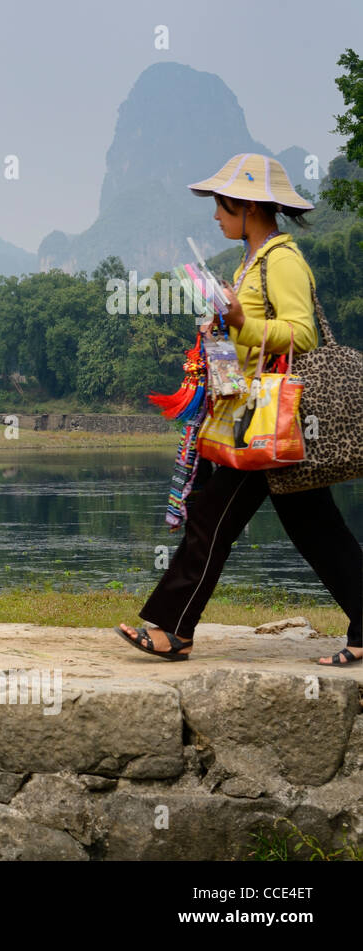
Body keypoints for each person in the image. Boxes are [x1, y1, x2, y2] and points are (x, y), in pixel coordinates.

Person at [116, 153, 362, 666]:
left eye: (221, 206)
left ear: (248, 205)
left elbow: (303, 334)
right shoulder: (250, 261)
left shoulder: (283, 259)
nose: (215, 216)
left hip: (267, 422)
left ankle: (172, 629)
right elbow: (252, 336)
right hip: (254, 415)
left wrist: (240, 319)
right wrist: (221, 329)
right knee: (317, 530)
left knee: (209, 516)